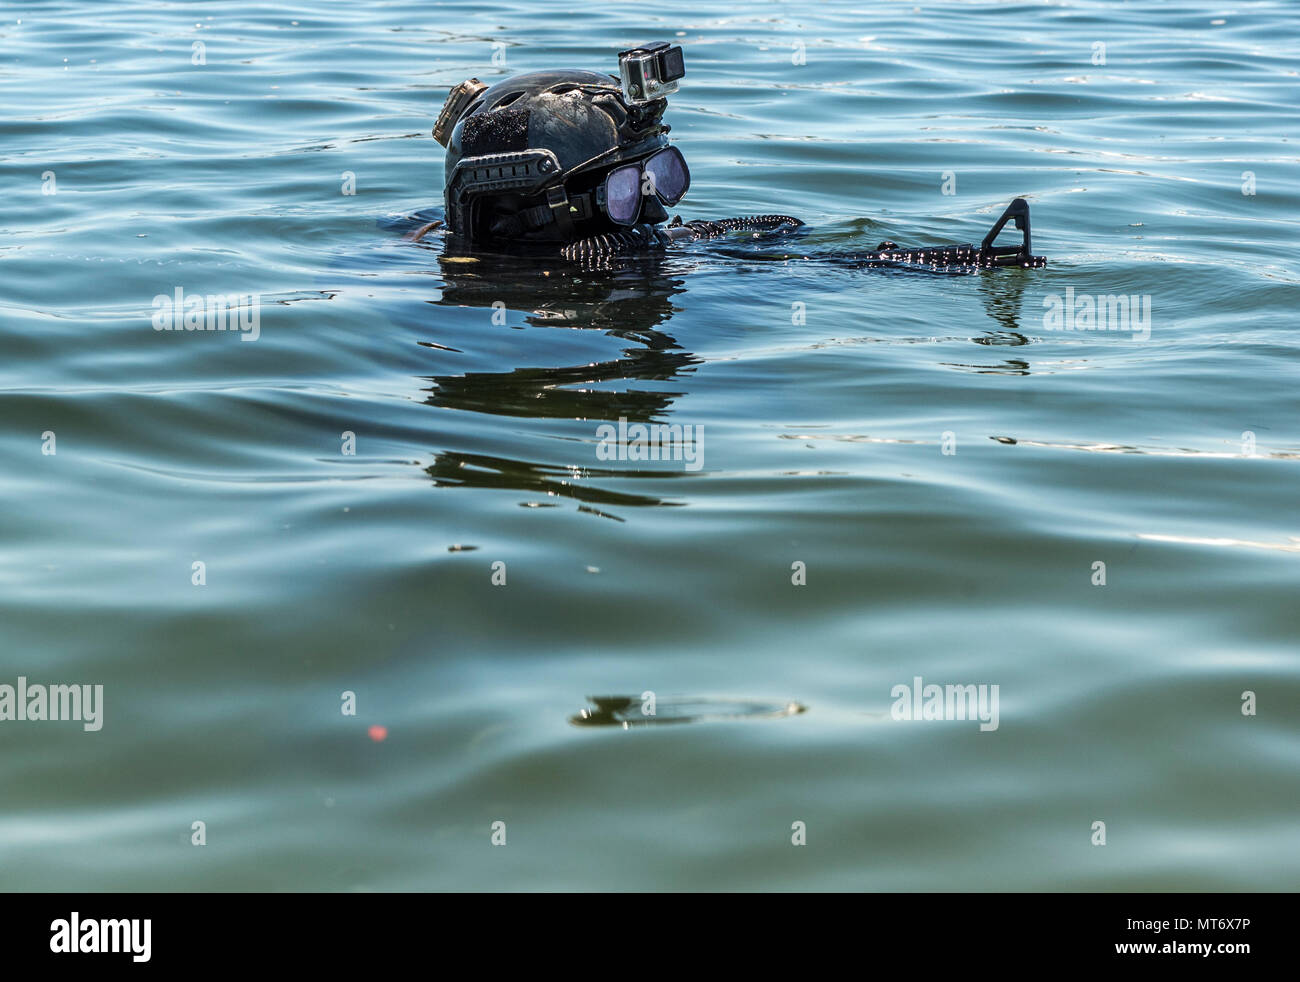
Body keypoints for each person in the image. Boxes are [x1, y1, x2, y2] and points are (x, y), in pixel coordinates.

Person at [410, 43, 1045, 272]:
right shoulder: (462, 282)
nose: (653, 207)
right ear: (521, 203)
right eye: (626, 193)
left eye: (659, 176)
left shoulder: (626, 248)